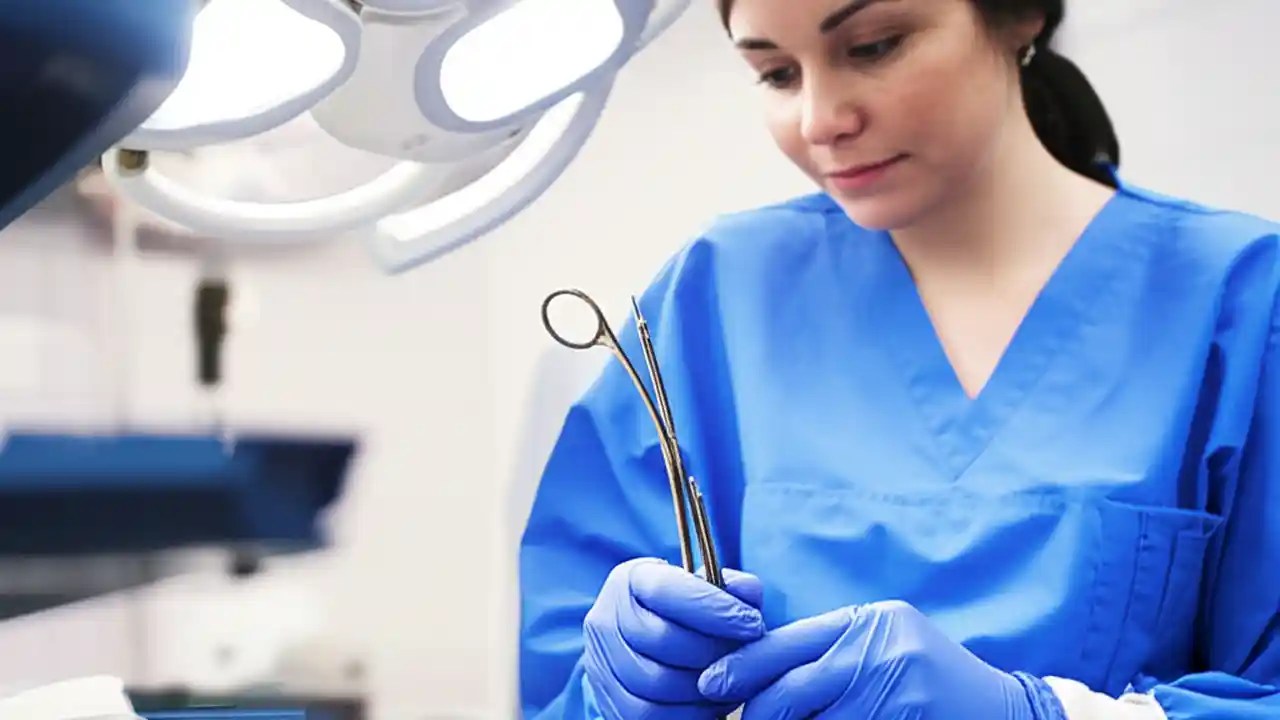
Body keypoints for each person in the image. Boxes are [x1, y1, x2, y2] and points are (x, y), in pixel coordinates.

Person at [517, 0, 1280, 718]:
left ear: (1019, 15)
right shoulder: (716, 293)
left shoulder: (1239, 299)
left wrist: (1049, 713)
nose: (821, 120)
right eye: (778, 73)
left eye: (873, 47)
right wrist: (611, 690)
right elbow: (561, 683)